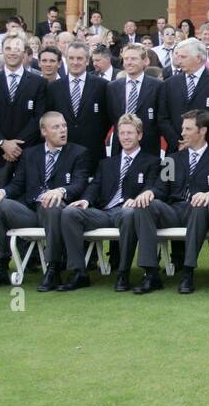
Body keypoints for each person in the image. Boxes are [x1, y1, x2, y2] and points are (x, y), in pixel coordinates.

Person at [0, 111, 88, 292]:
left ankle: (53, 267)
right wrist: (1, 191)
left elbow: (80, 183)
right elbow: (18, 185)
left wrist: (60, 191)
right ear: (44, 132)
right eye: (56, 127)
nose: (63, 130)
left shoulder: (78, 153)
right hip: (30, 212)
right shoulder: (30, 154)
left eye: (64, 126)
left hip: (56, 212)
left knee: (51, 203)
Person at [58, 113, 159, 291]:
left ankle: (123, 272)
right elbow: (95, 186)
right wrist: (86, 200)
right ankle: (78, 272)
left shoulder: (152, 162)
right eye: (122, 133)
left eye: (130, 133)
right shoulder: (106, 164)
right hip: (104, 213)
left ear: (140, 135)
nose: (126, 137)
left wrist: (136, 200)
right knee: (69, 212)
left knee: (129, 214)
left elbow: (152, 187)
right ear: (117, 136)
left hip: (129, 211)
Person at [137, 109, 209, 294]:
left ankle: (188, 272)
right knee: (146, 205)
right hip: (173, 210)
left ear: (202, 130)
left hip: (199, 211)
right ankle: (150, 273)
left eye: (188, 129)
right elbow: (160, 188)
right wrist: (149, 192)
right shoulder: (171, 159)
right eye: (183, 129)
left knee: (198, 206)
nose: (182, 133)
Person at [0, 33, 47, 193]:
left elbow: (39, 117)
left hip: (27, 153)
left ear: (24, 52)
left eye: (17, 49)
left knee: (26, 206)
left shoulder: (39, 83)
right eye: (8, 48)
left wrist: (16, 146)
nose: (12, 52)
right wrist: (3, 143)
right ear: (2, 51)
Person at [47, 41, 109, 176]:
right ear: (66, 60)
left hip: (93, 151)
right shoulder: (53, 88)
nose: (75, 62)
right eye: (71, 58)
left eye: (80, 58)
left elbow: (107, 118)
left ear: (87, 61)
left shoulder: (103, 86)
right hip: (62, 153)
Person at [159, 38, 209, 152]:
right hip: (176, 150)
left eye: (183, 57)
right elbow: (163, 117)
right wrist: (177, 142)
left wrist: (199, 142)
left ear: (198, 58)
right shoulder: (169, 83)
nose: (179, 61)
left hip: (208, 148)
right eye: (178, 56)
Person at [110, 42, 163, 156]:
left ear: (145, 61)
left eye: (133, 58)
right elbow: (111, 116)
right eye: (126, 59)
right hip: (120, 147)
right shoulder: (112, 87)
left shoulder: (158, 86)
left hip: (148, 147)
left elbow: (161, 117)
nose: (129, 62)